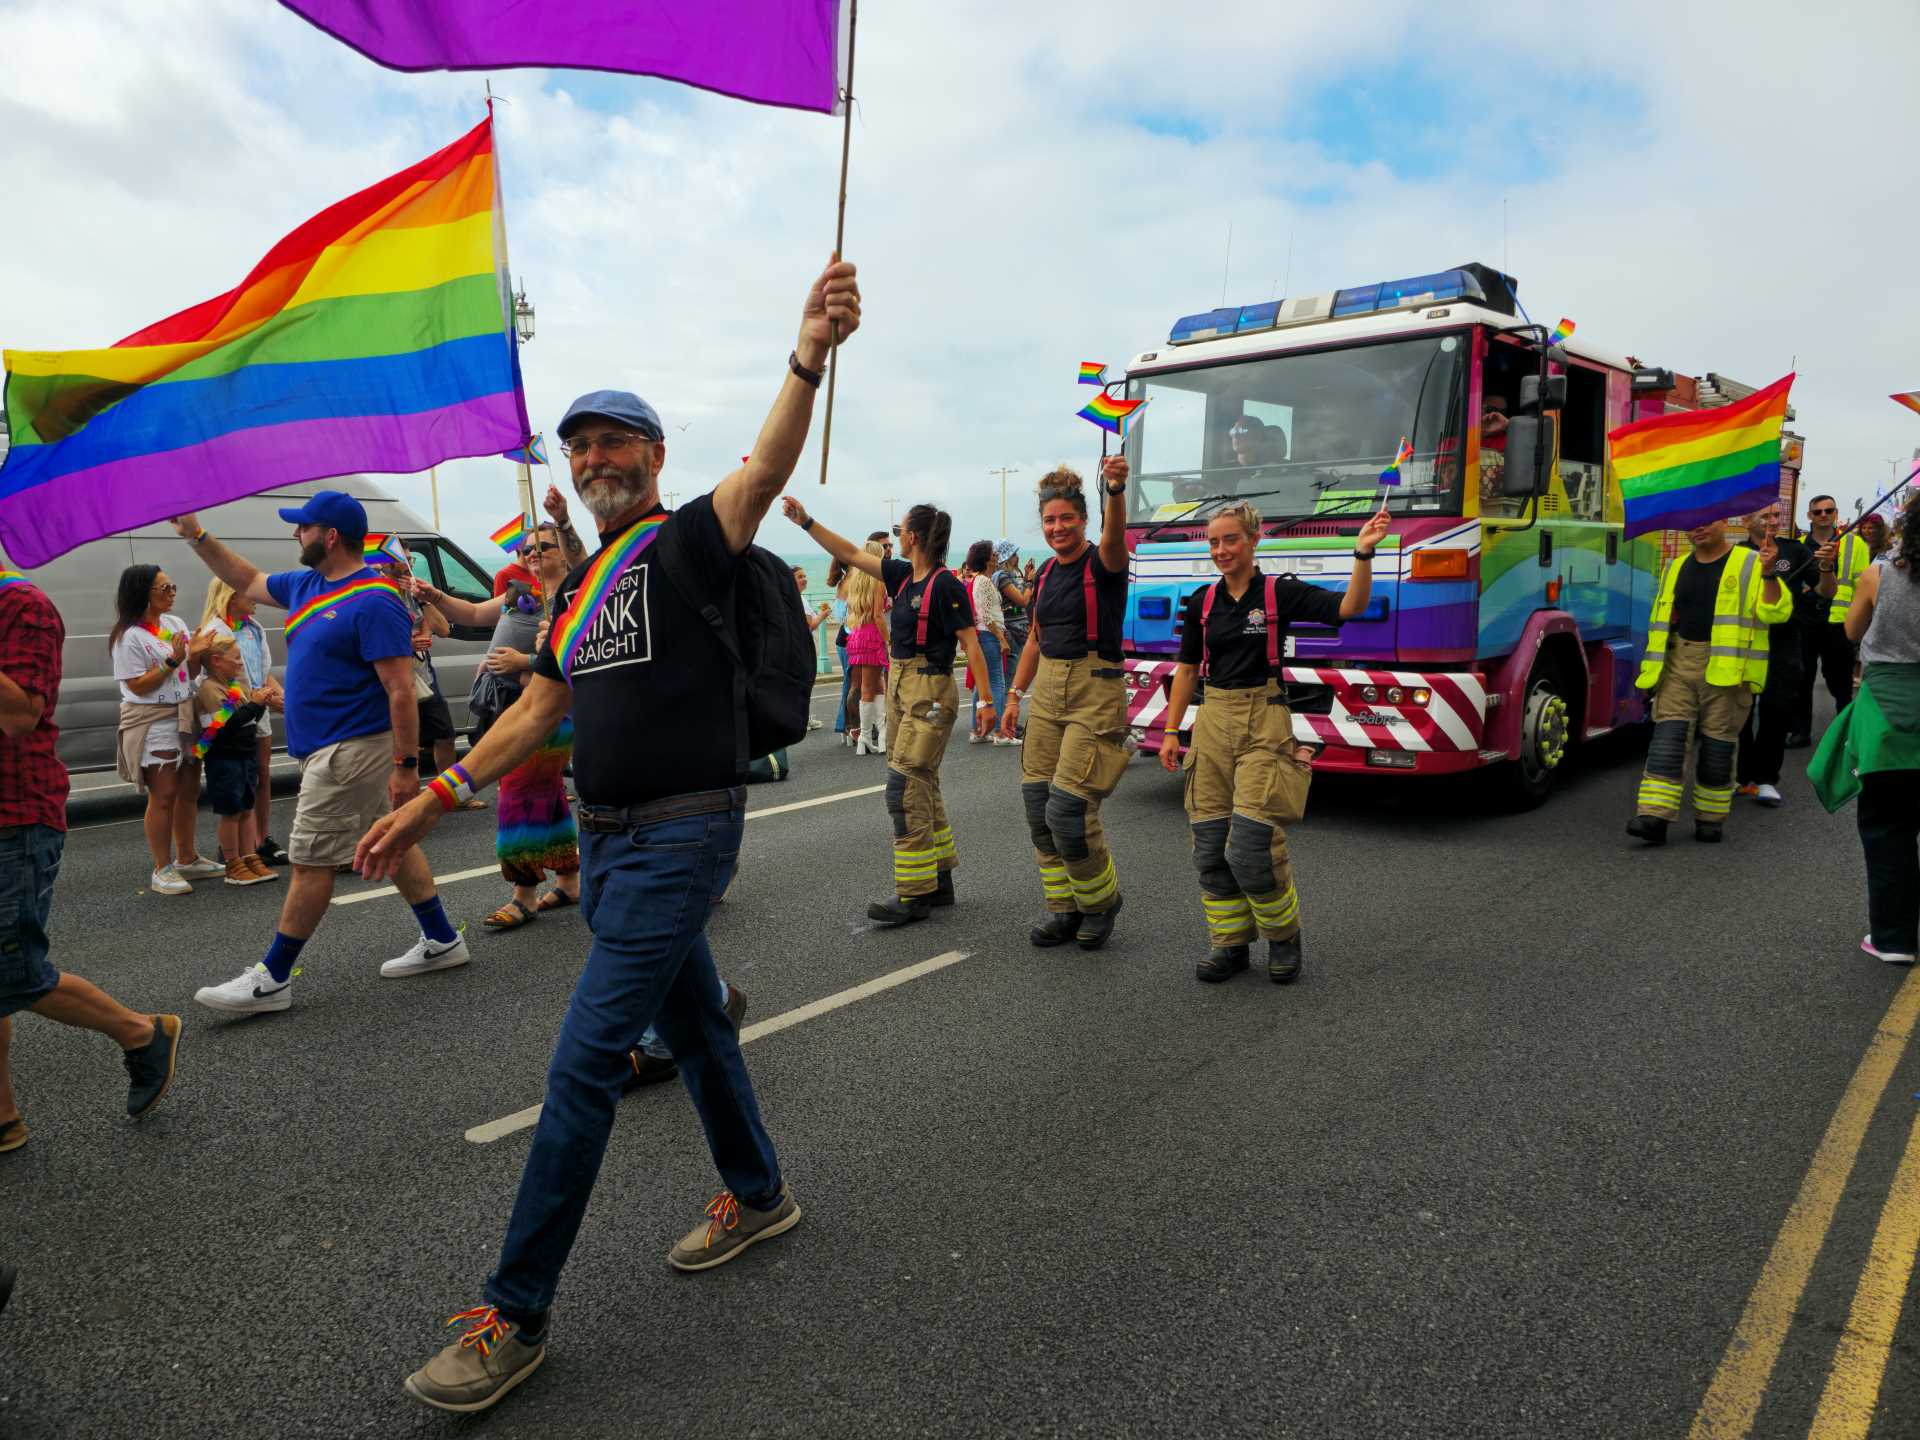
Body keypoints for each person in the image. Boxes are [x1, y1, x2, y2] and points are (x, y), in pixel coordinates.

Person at [354, 256, 860, 1414]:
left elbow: (765, 468)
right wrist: (433, 799)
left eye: (615, 442)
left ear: (655, 455)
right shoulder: (579, 591)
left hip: (684, 836)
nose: (594, 460)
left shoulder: (686, 542)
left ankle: (515, 1313)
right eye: (581, 447)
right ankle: (760, 1191)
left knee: (582, 1064)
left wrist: (807, 354)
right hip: (612, 838)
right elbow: (539, 710)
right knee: (696, 1029)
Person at [168, 490, 469, 1013]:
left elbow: (400, 689)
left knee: (309, 860)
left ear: (330, 536)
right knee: (391, 842)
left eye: (302, 527)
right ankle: (443, 939)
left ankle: (274, 978)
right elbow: (244, 578)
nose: (294, 534)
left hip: (350, 749)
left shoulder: (374, 600)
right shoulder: (307, 584)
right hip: (328, 748)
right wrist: (195, 533)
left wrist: (406, 767)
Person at [1157, 500, 1391, 983]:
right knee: (1209, 847)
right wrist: (1170, 729)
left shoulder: (1278, 593)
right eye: (1214, 541)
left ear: (1254, 540)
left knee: (1249, 847)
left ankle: (1284, 939)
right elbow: (1185, 670)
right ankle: (1230, 945)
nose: (1221, 550)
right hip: (1212, 722)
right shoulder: (1202, 601)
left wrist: (1362, 554)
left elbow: (1350, 607)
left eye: (1231, 539)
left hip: (1265, 720)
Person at [0, 565, 182, 1154]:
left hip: (15, 813)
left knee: (12, 971)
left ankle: (141, 1032)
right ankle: (2, 1115)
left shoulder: (23, 604)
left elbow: (21, 714)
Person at [785, 497, 997, 924]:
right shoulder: (902, 575)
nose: (895, 537)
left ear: (913, 537)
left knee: (903, 789)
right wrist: (806, 521)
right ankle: (940, 882)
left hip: (930, 691)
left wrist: (988, 701)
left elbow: (971, 643)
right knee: (924, 787)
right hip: (902, 685)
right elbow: (847, 553)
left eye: (898, 531)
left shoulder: (946, 586)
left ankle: (915, 893)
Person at [413, 524, 584, 930]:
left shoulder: (576, 598)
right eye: (527, 549)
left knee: (518, 794)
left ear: (563, 552)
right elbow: (472, 614)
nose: (533, 554)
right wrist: (434, 596)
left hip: (547, 708)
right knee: (547, 792)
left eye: (543, 547)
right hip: (509, 702)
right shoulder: (519, 593)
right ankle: (570, 880)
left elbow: (580, 654)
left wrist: (523, 663)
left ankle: (523, 894)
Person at [1000, 459, 1133, 949]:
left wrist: (1115, 490)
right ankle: (1065, 909)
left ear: (1084, 520)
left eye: (1067, 519)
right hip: (1049, 693)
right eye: (1050, 520)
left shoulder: (1105, 563)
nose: (1057, 528)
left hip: (1095, 692)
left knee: (1069, 812)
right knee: (1038, 809)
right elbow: (1034, 638)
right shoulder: (1049, 575)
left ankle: (1100, 904)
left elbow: (1116, 537)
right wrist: (1015, 694)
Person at [1626, 517, 1792, 845]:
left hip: (1728, 668)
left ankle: (1710, 818)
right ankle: (1654, 816)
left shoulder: (1750, 561)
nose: (1696, 527)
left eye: (1706, 521)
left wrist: (1769, 573)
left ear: (1725, 521)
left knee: (1718, 745)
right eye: (1690, 523)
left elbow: (1778, 613)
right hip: (1679, 662)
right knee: (1667, 740)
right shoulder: (1675, 567)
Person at [1811, 492, 1920, 963]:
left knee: (1888, 827)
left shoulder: (1880, 573)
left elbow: (1852, 631)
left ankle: (1892, 939)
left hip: (1889, 715)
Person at [110, 565, 219, 896]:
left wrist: (197, 654)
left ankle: (187, 858)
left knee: (189, 790)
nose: (172, 592)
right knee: (164, 794)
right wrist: (172, 661)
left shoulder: (174, 624)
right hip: (153, 721)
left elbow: (189, 669)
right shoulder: (128, 637)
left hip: (184, 715)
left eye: (172, 585)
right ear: (144, 593)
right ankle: (162, 868)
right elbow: (137, 686)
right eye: (164, 588)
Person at [1735, 503, 1830, 806]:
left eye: (1777, 516)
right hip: (1746, 640)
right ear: (1747, 520)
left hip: (1786, 640)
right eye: (1766, 516)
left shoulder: (1795, 551)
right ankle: (1741, 776)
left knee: (1776, 712)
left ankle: (1765, 779)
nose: (1774, 521)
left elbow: (1827, 591)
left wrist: (1827, 567)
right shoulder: (1734, 555)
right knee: (1740, 713)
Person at [199, 578, 288, 864]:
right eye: (248, 593)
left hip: (258, 707)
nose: (255, 598)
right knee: (234, 781)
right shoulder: (214, 632)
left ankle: (261, 840)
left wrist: (283, 698)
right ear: (230, 596)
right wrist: (259, 699)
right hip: (236, 714)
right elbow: (217, 678)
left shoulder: (254, 628)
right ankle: (235, 848)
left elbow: (263, 671)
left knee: (261, 774)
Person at [192, 638, 275, 885]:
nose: (241, 663)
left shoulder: (235, 685)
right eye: (236, 658)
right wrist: (255, 703)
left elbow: (247, 717)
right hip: (224, 758)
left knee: (247, 807)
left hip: (244, 754)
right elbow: (227, 722)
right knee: (231, 811)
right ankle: (232, 862)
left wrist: (259, 703)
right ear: (217, 662)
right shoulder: (210, 689)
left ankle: (249, 855)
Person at [1788, 494, 1869, 745]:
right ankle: (1801, 732)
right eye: (1818, 511)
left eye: (1829, 510)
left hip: (1838, 621)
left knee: (1840, 681)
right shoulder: (1798, 546)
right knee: (1802, 679)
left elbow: (1863, 585)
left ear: (1836, 513)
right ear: (1809, 516)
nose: (1824, 515)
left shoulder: (1855, 545)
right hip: (1804, 621)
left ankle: (1845, 732)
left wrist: (1860, 623)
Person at [828, 530, 891, 743]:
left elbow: (843, 614)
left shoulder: (851, 581)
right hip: (867, 635)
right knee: (870, 685)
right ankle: (866, 731)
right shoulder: (874, 580)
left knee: (856, 685)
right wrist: (888, 640)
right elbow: (878, 615)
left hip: (852, 636)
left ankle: (856, 730)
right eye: (885, 548)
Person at [961, 539, 1013, 745]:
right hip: (989, 635)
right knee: (997, 682)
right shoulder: (983, 581)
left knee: (982, 685)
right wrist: (1001, 639)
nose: (996, 555)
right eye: (993, 553)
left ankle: (978, 729)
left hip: (985, 635)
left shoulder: (983, 580)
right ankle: (1000, 731)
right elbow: (986, 616)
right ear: (986, 558)